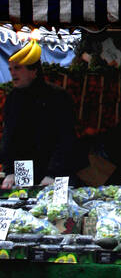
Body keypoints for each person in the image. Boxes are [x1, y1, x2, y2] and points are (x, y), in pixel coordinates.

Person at [0, 57, 78, 187]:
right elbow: (9, 138)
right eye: (11, 69)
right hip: (24, 170)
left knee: (57, 207)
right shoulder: (13, 99)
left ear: (34, 71)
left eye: (18, 68)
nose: (13, 73)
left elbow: (66, 138)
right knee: (23, 204)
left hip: (56, 172)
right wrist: (10, 171)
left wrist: (53, 174)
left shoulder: (58, 96)